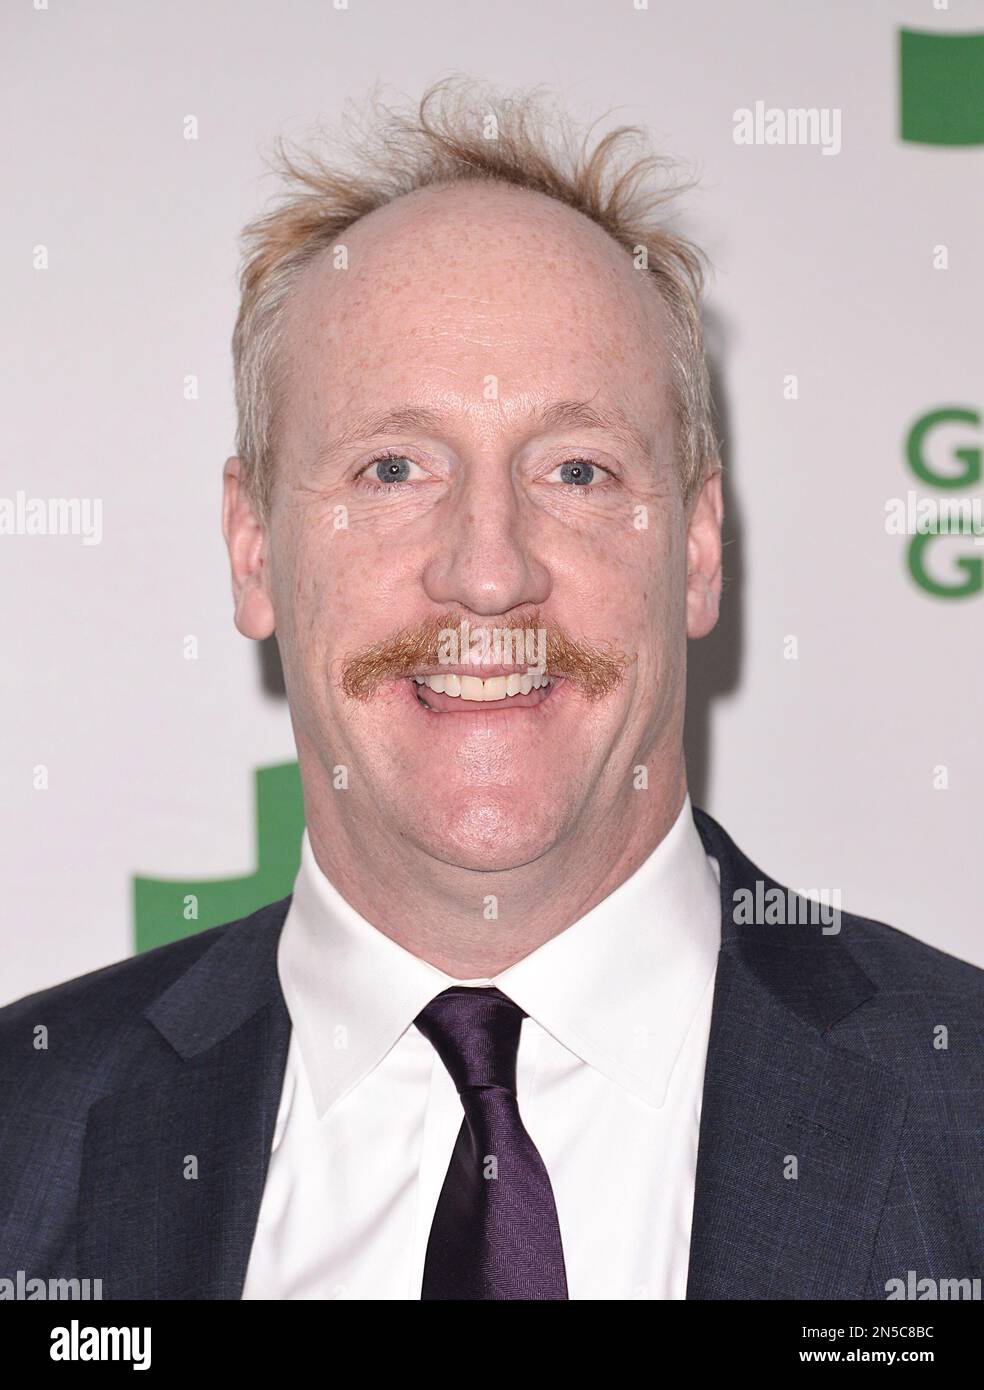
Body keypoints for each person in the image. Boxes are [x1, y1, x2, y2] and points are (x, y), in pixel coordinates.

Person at [1, 79, 981, 1302]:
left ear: (696, 547)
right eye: (394, 465)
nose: (487, 570)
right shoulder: (23, 1132)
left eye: (575, 469)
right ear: (253, 546)